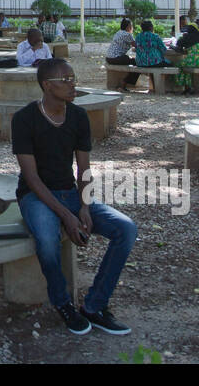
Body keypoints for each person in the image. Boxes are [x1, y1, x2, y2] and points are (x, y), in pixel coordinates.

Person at [13, 58, 136, 335]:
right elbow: (31, 178)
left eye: (73, 78)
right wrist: (67, 216)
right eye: (65, 80)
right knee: (47, 240)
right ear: (47, 85)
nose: (72, 84)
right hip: (35, 196)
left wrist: (84, 205)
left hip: (70, 192)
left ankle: (94, 306)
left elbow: (84, 169)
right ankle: (63, 302)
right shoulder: (24, 119)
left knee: (125, 229)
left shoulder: (78, 117)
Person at [173, 23, 199, 93]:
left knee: (179, 65)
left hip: (194, 61)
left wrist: (173, 46)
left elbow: (178, 49)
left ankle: (185, 85)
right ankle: (189, 86)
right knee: (186, 66)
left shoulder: (186, 37)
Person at [131, 20, 169, 90]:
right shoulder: (155, 36)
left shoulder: (138, 37)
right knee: (170, 64)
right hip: (154, 62)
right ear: (151, 27)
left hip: (140, 63)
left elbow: (137, 49)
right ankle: (166, 87)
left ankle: (153, 87)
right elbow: (164, 49)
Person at [105, 18, 138, 92]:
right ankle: (124, 84)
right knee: (137, 63)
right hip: (116, 58)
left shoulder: (118, 32)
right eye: (131, 26)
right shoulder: (127, 34)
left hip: (109, 57)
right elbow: (136, 46)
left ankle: (124, 84)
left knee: (130, 59)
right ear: (128, 26)